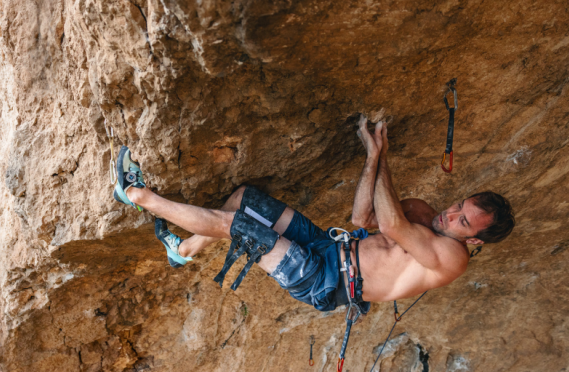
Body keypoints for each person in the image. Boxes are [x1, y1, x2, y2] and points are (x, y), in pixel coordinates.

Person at [111, 117, 514, 313]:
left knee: (234, 225)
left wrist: (379, 153)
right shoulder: (425, 216)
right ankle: (182, 249)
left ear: (474, 240)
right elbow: (362, 217)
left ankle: (135, 192)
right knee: (244, 199)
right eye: (459, 205)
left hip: (322, 279)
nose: (451, 214)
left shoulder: (452, 259)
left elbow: (390, 224)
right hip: (326, 247)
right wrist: (374, 161)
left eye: (463, 221)